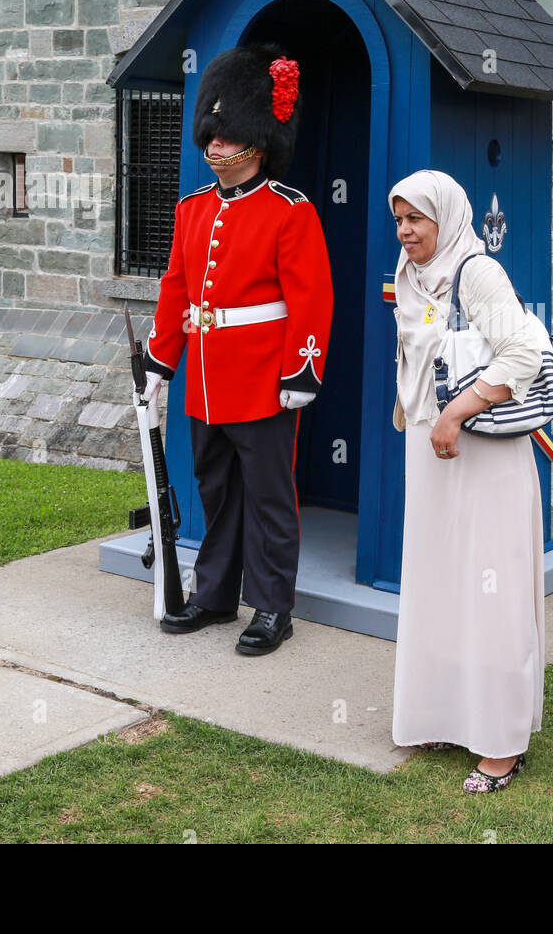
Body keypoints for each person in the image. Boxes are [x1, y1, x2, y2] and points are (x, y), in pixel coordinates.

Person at [140, 42, 332, 655]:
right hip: (203, 378)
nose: (215, 146)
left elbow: (311, 298)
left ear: (258, 141)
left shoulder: (290, 211)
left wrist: (301, 369)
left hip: (262, 377)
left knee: (271, 498)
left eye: (227, 138)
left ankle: (274, 606)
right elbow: (177, 289)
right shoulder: (193, 210)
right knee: (215, 491)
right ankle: (215, 595)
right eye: (212, 137)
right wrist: (159, 359)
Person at [388, 169, 545, 793]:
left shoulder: (477, 272)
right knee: (439, 579)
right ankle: (443, 711)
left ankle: (502, 744)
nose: (404, 231)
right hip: (431, 449)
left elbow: (523, 353)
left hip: (483, 452)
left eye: (415, 220)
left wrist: (456, 411)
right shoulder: (409, 273)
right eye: (398, 219)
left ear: (445, 218)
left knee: (490, 586)